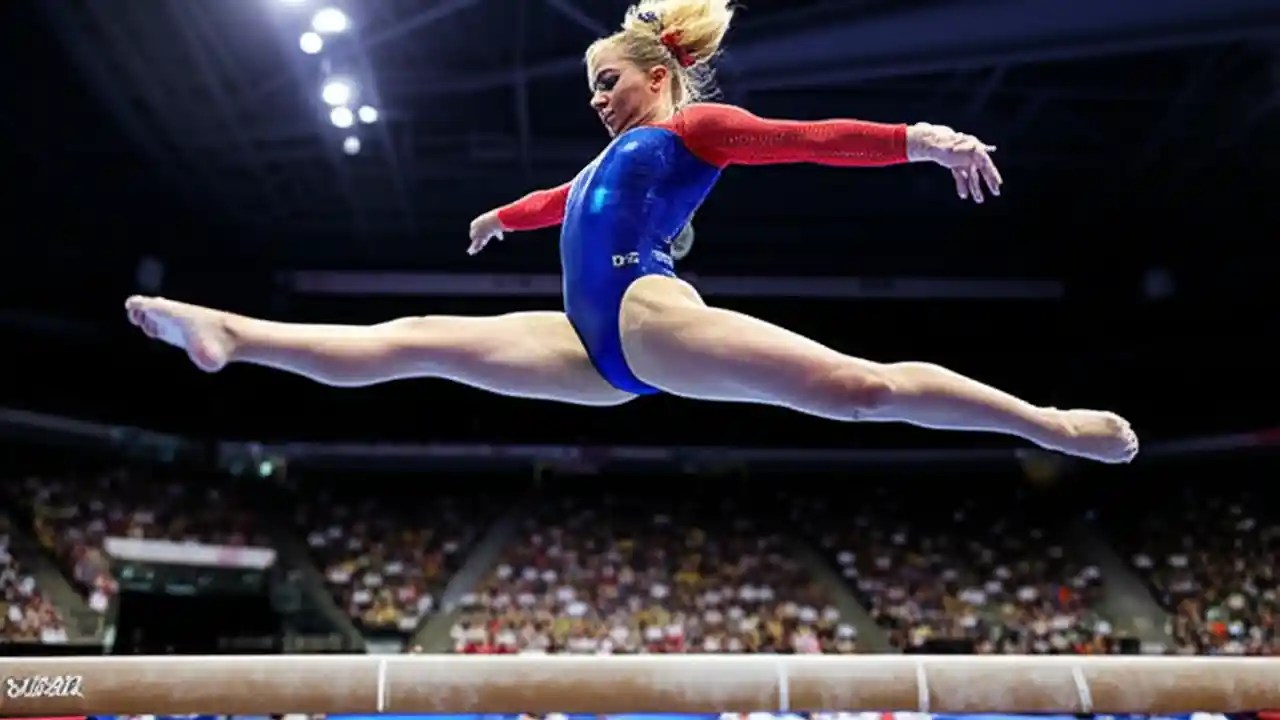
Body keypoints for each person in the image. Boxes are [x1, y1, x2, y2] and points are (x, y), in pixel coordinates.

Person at [125, 0, 1137, 463]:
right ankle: (228, 334)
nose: (597, 99)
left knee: (860, 392)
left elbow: (809, 139)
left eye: (606, 80)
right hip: (585, 345)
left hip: (648, 317)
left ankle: (1043, 425)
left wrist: (921, 139)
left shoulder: (693, 126)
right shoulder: (605, 159)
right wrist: (501, 215)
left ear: (657, 75)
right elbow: (565, 201)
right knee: (409, 342)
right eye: (588, 88)